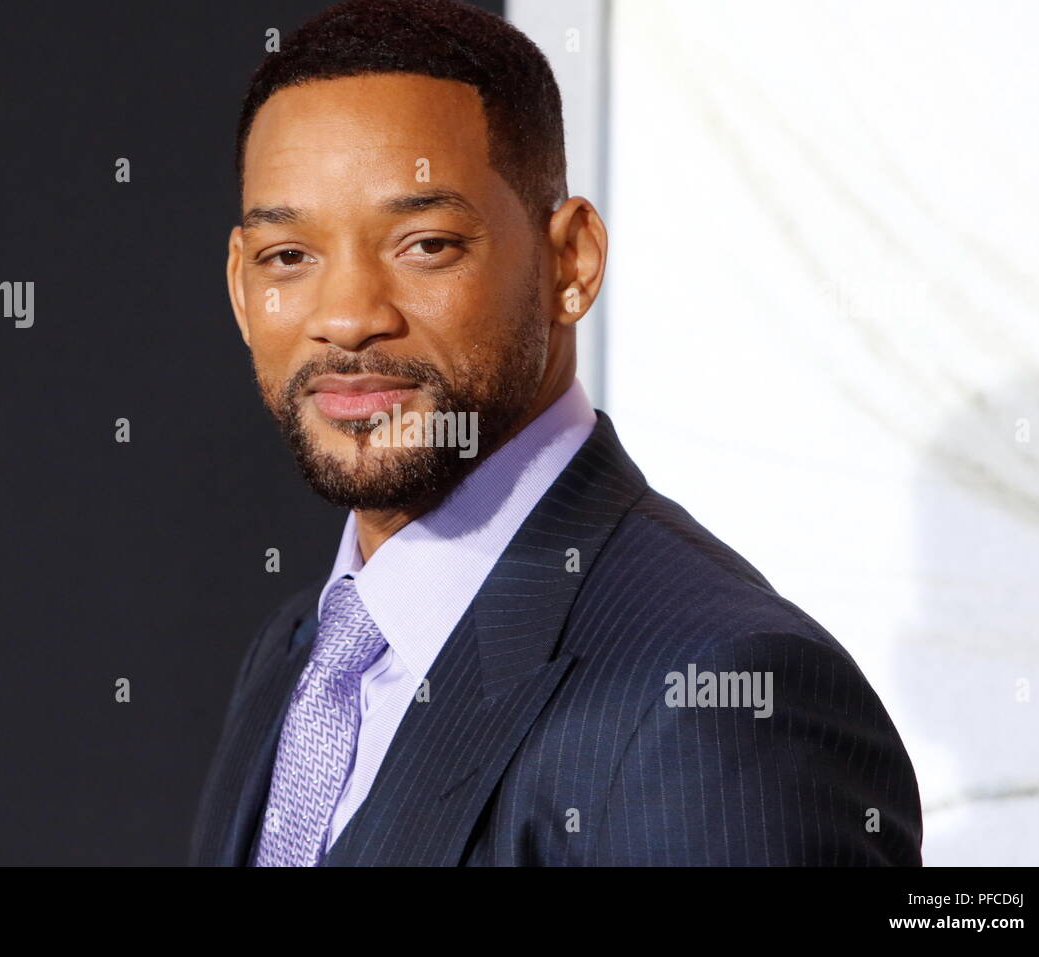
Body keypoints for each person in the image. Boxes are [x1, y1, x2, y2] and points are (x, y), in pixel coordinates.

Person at [189, 0, 923, 866]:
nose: (347, 317)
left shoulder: (716, 698)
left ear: (571, 260)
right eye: (288, 257)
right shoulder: (298, 651)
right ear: (241, 288)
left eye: (424, 244)